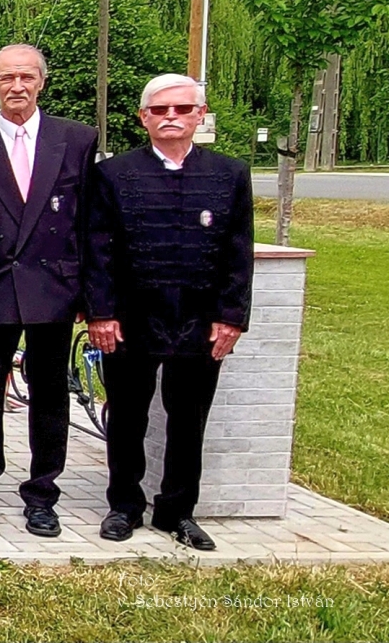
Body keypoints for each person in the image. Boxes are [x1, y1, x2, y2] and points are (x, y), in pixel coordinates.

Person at [86, 73, 252, 551]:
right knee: (127, 415)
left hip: (200, 321)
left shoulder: (229, 175)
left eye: (182, 109)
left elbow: (237, 253)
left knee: (188, 418)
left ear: (200, 114)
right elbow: (98, 249)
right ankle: (124, 505)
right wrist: (101, 312)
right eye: (160, 111)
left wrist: (231, 316)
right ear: (144, 118)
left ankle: (177, 511)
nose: (171, 118)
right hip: (131, 318)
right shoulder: (114, 174)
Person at [0, 44, 97, 538]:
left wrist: (89, 298)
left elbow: (89, 225)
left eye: (27, 77)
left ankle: (42, 493)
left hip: (53, 288)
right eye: (7, 77)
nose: (18, 86)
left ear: (42, 82)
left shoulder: (76, 140)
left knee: (51, 393)